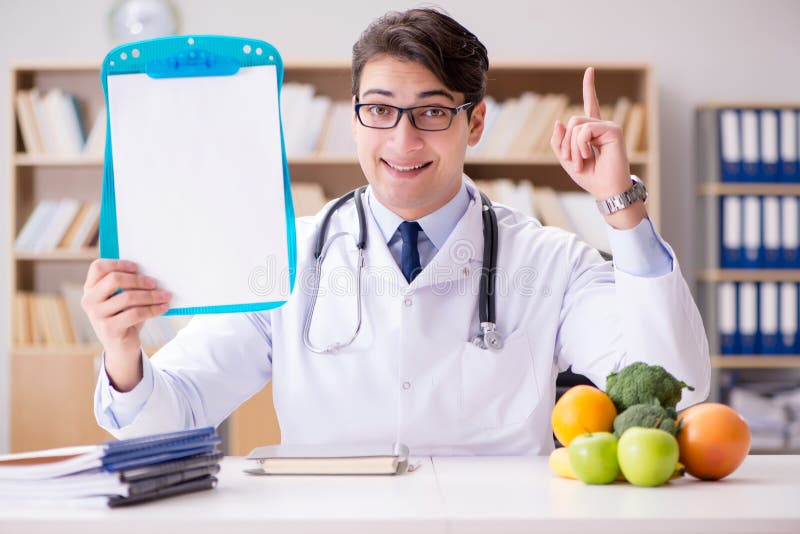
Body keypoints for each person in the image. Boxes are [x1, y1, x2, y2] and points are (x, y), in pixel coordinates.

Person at [85, 8, 710, 455]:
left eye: (433, 111)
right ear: (354, 119)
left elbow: (674, 389)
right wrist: (123, 352)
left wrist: (621, 209)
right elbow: (170, 419)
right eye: (380, 110)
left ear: (476, 122)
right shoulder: (285, 256)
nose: (403, 140)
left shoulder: (551, 261)